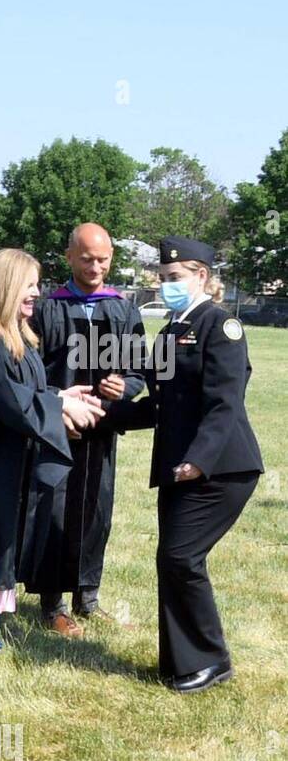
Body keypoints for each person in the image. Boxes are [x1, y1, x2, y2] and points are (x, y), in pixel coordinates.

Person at [105, 237, 262, 691]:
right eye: (164, 278)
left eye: (176, 278)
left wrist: (198, 459)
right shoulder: (174, 330)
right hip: (181, 467)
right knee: (171, 560)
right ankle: (179, 661)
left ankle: (211, 660)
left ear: (202, 278)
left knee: (181, 557)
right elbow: (160, 404)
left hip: (220, 468)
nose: (168, 285)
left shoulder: (221, 327)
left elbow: (223, 404)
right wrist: (106, 415)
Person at [0, 249, 102, 613]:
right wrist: (61, 407)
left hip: (5, 454)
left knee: (5, 529)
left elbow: (22, 389)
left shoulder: (9, 335)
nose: (36, 292)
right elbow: (8, 400)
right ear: (4, 286)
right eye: (28, 285)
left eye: (36, 284)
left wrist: (58, 395)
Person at [21, 223, 146, 636]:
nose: (96, 267)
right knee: (55, 508)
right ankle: (52, 602)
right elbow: (28, 370)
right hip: (57, 426)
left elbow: (140, 372)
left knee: (95, 510)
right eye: (87, 258)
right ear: (69, 257)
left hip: (102, 428)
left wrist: (122, 386)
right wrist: (56, 403)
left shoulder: (124, 310)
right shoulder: (46, 308)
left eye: (103, 259)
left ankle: (88, 596)